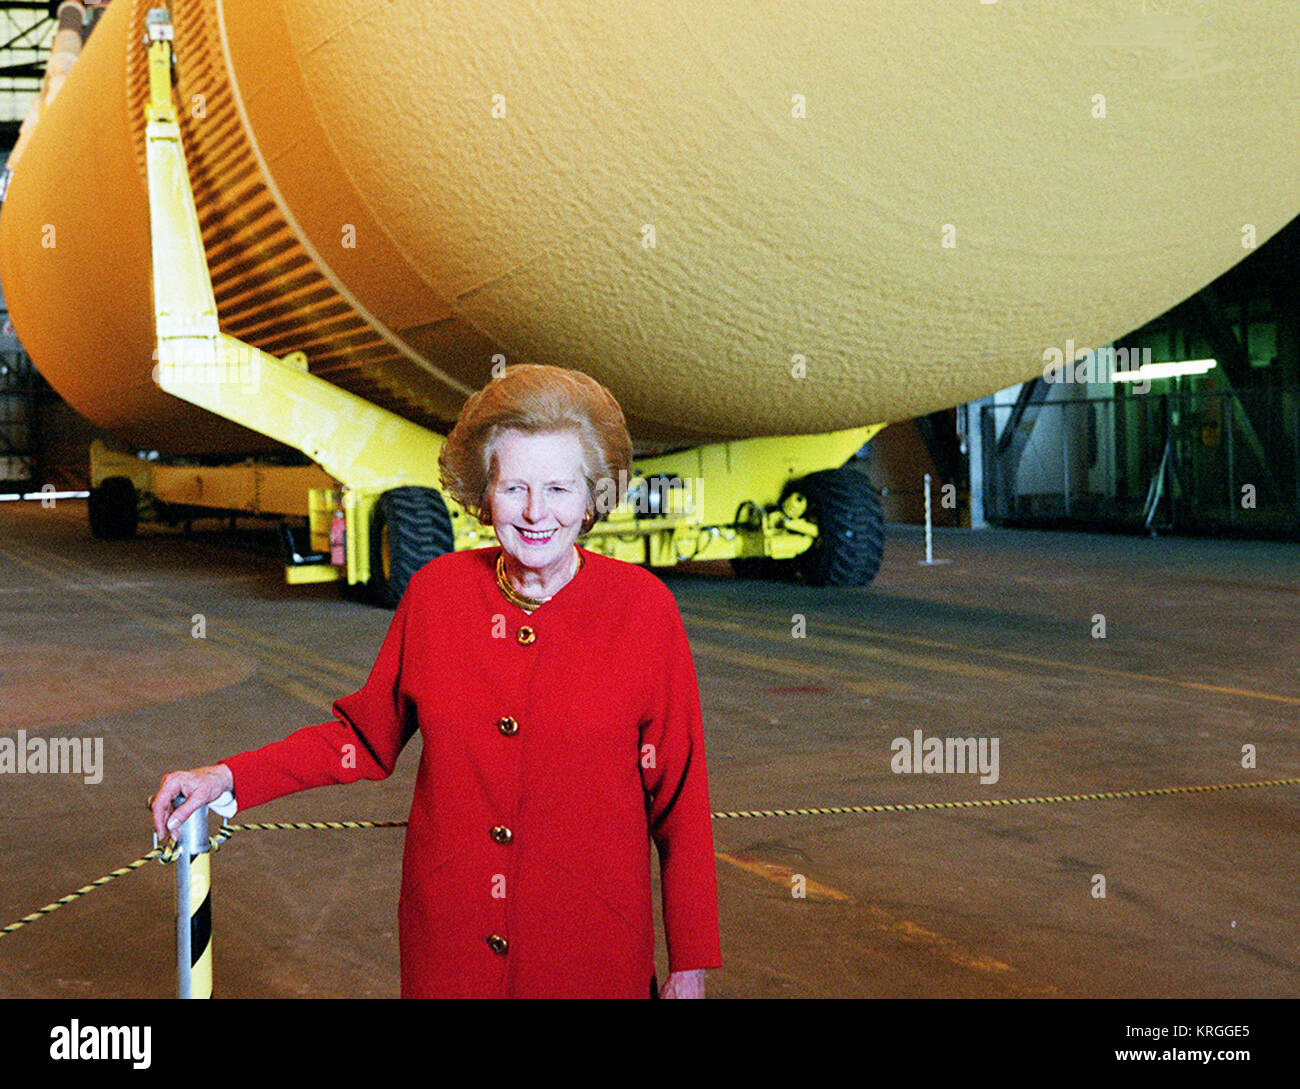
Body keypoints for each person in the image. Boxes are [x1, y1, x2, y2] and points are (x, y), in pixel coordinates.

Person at [149, 363, 722, 999]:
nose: (536, 512)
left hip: (592, 954)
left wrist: (690, 962)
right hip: (450, 946)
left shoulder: (643, 609)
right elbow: (362, 740)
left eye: (559, 489)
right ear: (484, 494)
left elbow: (681, 800)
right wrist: (229, 778)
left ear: (591, 499)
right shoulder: (437, 594)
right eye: (514, 488)